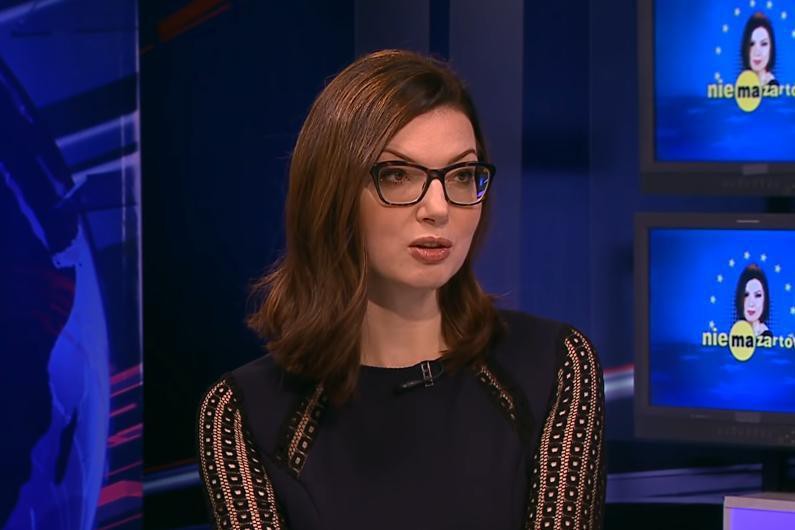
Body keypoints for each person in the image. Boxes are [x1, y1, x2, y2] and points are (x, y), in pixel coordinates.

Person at [197, 49, 605, 530]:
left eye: (461, 176)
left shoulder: (556, 366)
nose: (438, 208)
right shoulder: (241, 414)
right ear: (333, 193)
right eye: (397, 175)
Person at [741, 12, 779, 86]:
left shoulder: (773, 86)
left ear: (771, 48)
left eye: (763, 44)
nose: (757, 52)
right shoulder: (742, 84)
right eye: (751, 44)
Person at [735, 263, 773, 338]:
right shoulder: (734, 332)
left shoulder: (766, 336)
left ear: (765, 300)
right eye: (746, 295)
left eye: (757, 295)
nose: (751, 303)